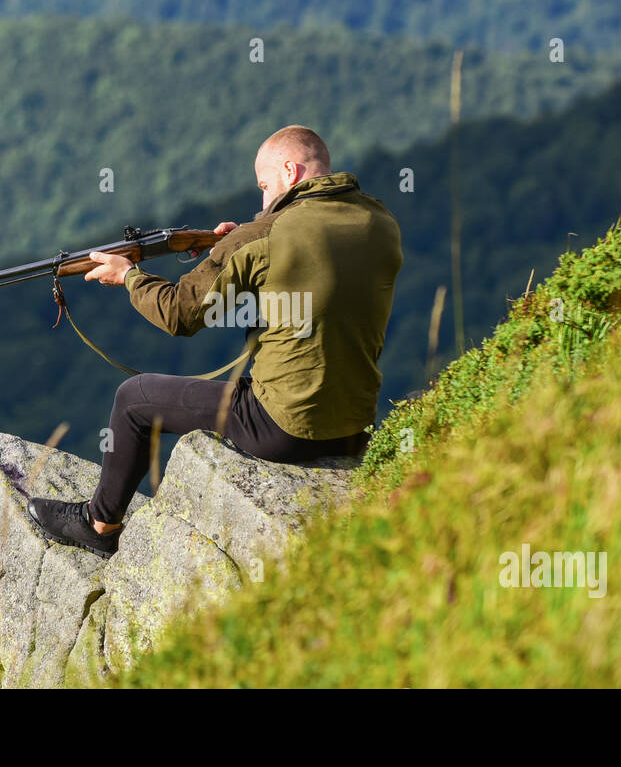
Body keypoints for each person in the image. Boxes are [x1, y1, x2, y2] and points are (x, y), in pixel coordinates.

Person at [27, 125, 403, 557]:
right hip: (355, 428)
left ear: (290, 170)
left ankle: (99, 525)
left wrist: (129, 276)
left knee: (134, 399)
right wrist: (239, 245)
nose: (263, 199)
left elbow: (179, 315)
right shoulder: (381, 222)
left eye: (265, 186)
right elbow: (317, 285)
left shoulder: (259, 239)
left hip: (284, 426)